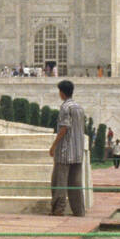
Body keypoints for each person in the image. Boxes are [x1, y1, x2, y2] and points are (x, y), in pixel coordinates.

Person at [48, 79, 87, 216]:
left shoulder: (65, 107)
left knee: (59, 182)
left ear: (62, 93)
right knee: (75, 184)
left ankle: (58, 209)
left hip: (65, 151)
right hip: (77, 151)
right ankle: (79, 211)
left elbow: (64, 128)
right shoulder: (79, 108)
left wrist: (54, 146)